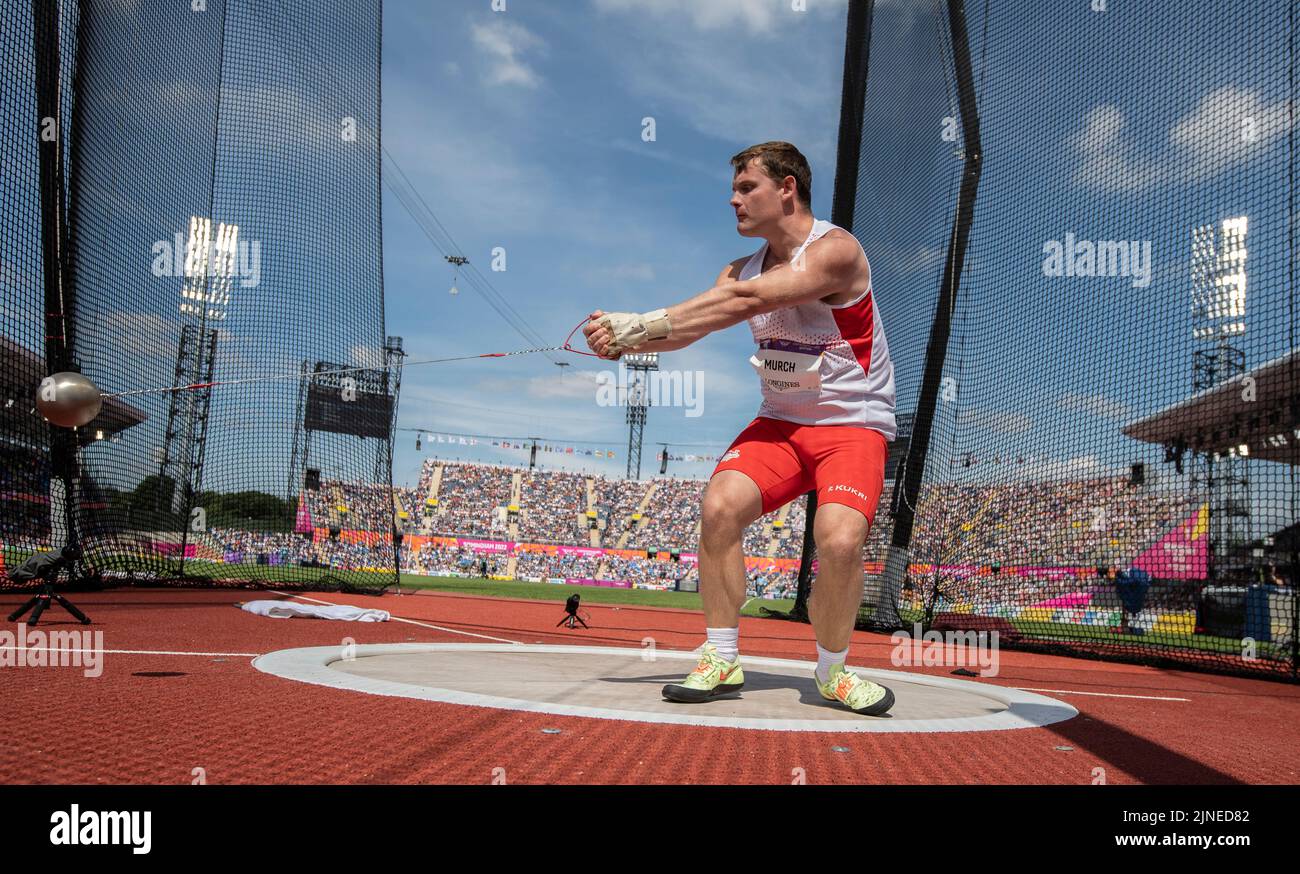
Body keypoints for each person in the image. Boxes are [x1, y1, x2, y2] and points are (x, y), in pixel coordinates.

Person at [583, 141, 896, 716]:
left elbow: (743, 301)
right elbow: (690, 330)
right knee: (720, 506)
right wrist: (627, 342)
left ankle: (833, 672)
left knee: (841, 540)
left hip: (852, 424)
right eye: (734, 189)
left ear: (787, 189)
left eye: (746, 187)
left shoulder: (836, 252)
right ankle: (721, 658)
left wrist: (641, 323)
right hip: (780, 423)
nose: (733, 200)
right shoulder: (737, 269)